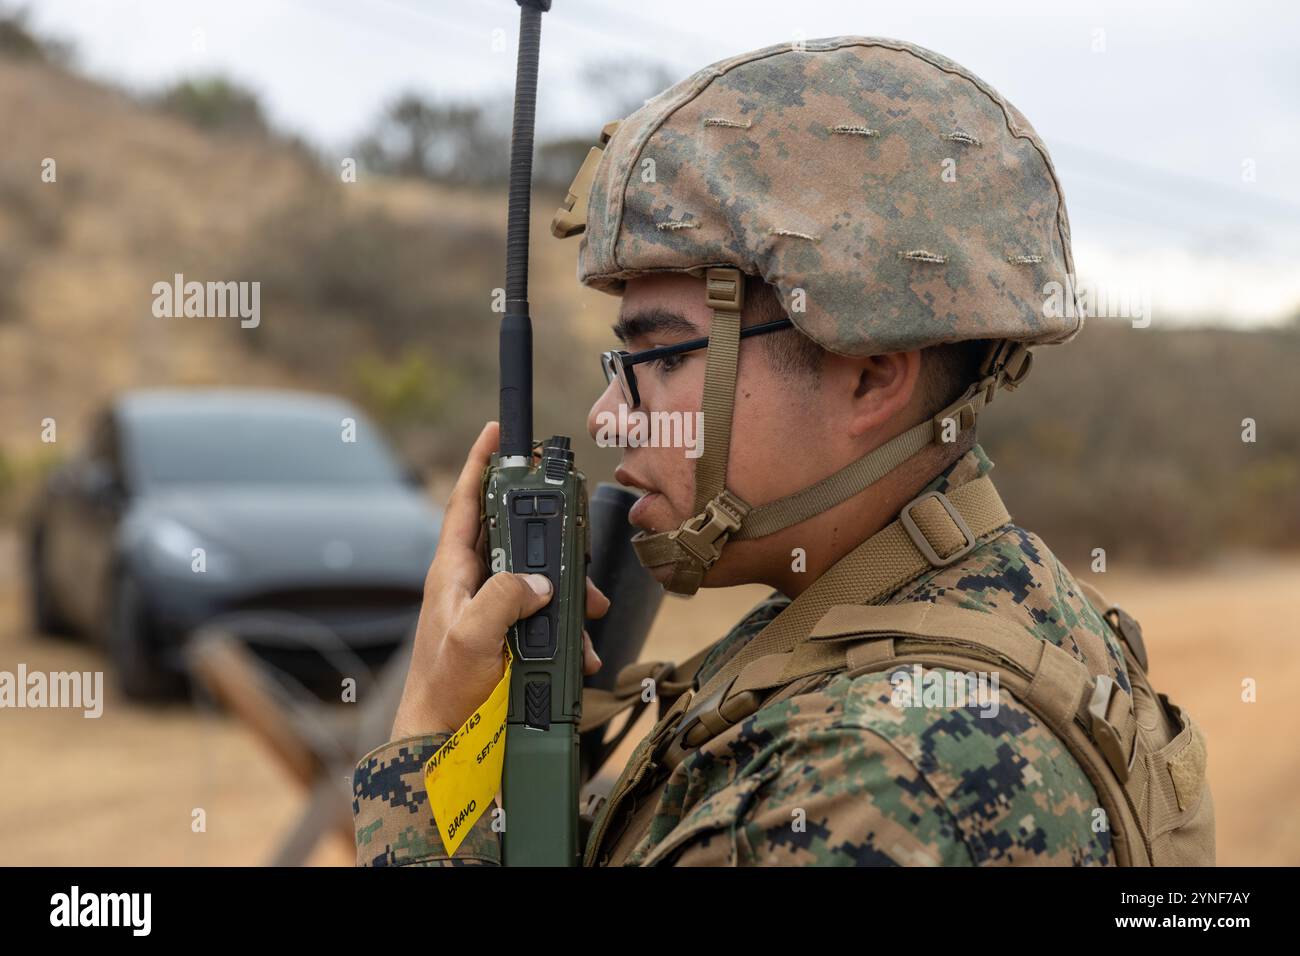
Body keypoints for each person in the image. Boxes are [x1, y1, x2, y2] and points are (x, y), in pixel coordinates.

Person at [353, 36, 1214, 867]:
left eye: (658, 359)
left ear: (871, 380)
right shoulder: (965, 604)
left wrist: (422, 757)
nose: (611, 416)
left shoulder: (867, 784)